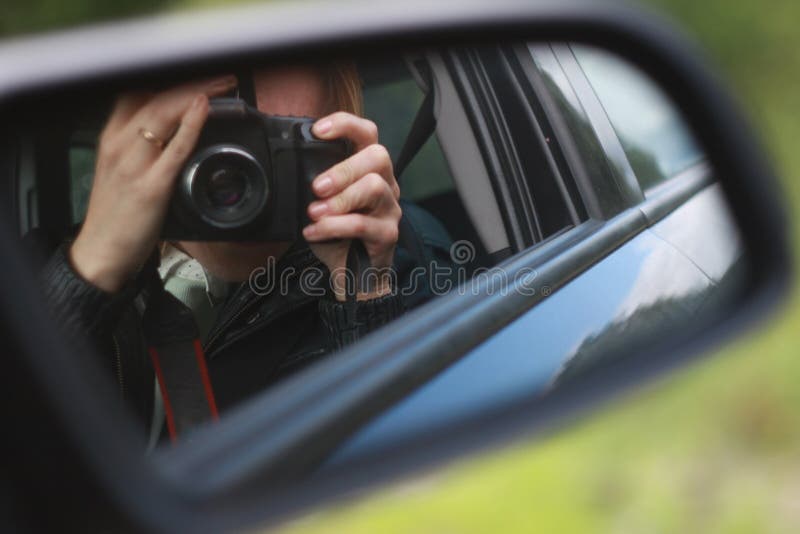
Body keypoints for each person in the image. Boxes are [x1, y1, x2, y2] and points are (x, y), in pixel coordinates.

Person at [36, 62, 449, 442]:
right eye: (211, 141)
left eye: (283, 142)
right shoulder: (31, 272)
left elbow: (413, 468)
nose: (245, 181)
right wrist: (84, 282)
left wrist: (367, 295)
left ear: (339, 151)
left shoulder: (402, 256)